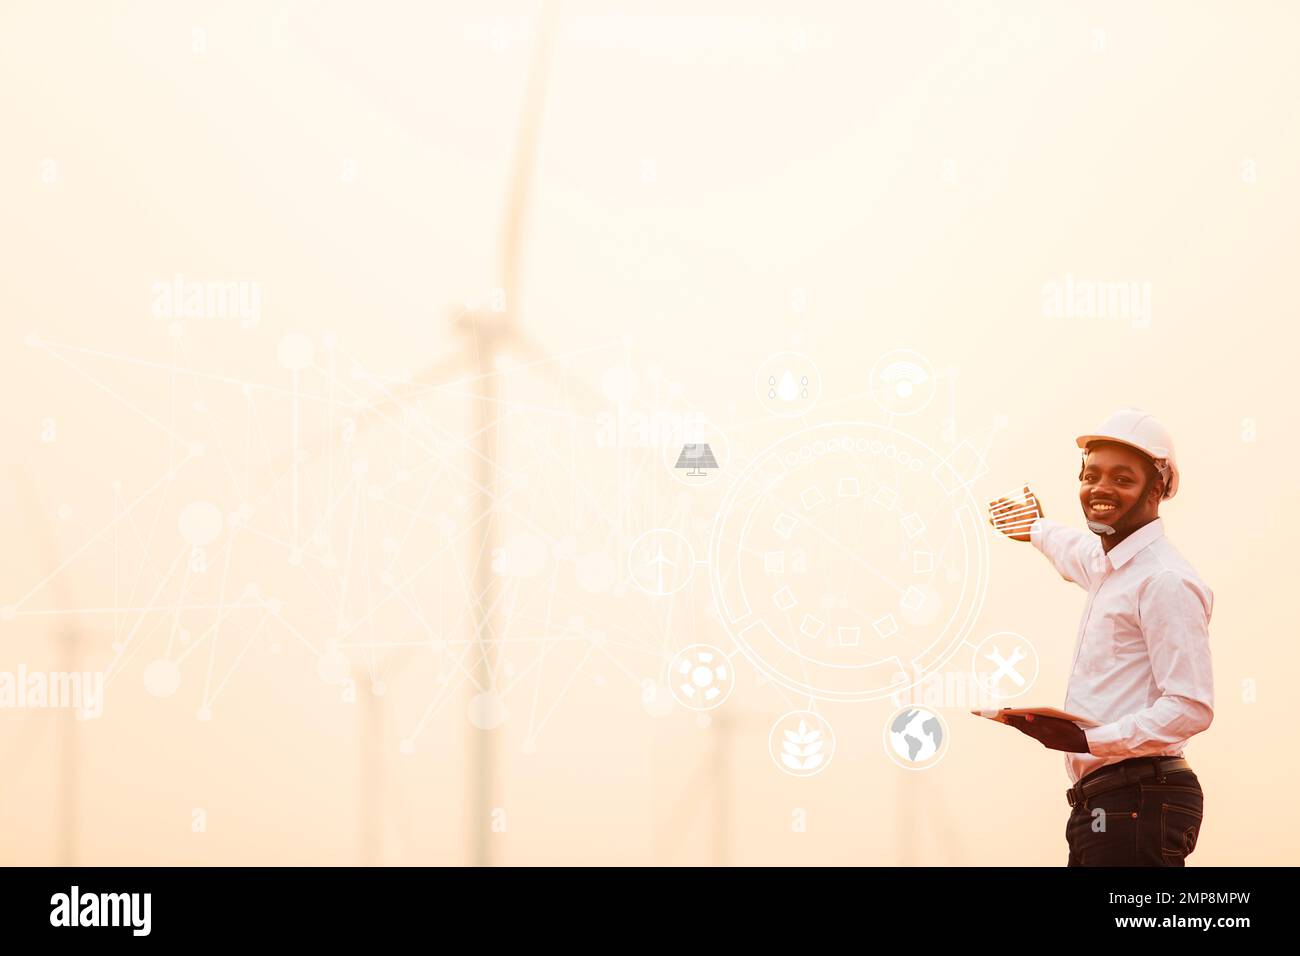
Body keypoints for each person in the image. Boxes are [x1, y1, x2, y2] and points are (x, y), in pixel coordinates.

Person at [988, 409, 1214, 866]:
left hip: (1139, 797)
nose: (1100, 489)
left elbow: (1191, 706)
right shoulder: (1110, 569)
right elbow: (1078, 553)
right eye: (1091, 475)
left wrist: (1089, 740)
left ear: (1157, 489)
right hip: (1114, 800)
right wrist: (1036, 528)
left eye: (1122, 478)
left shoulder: (1164, 580)